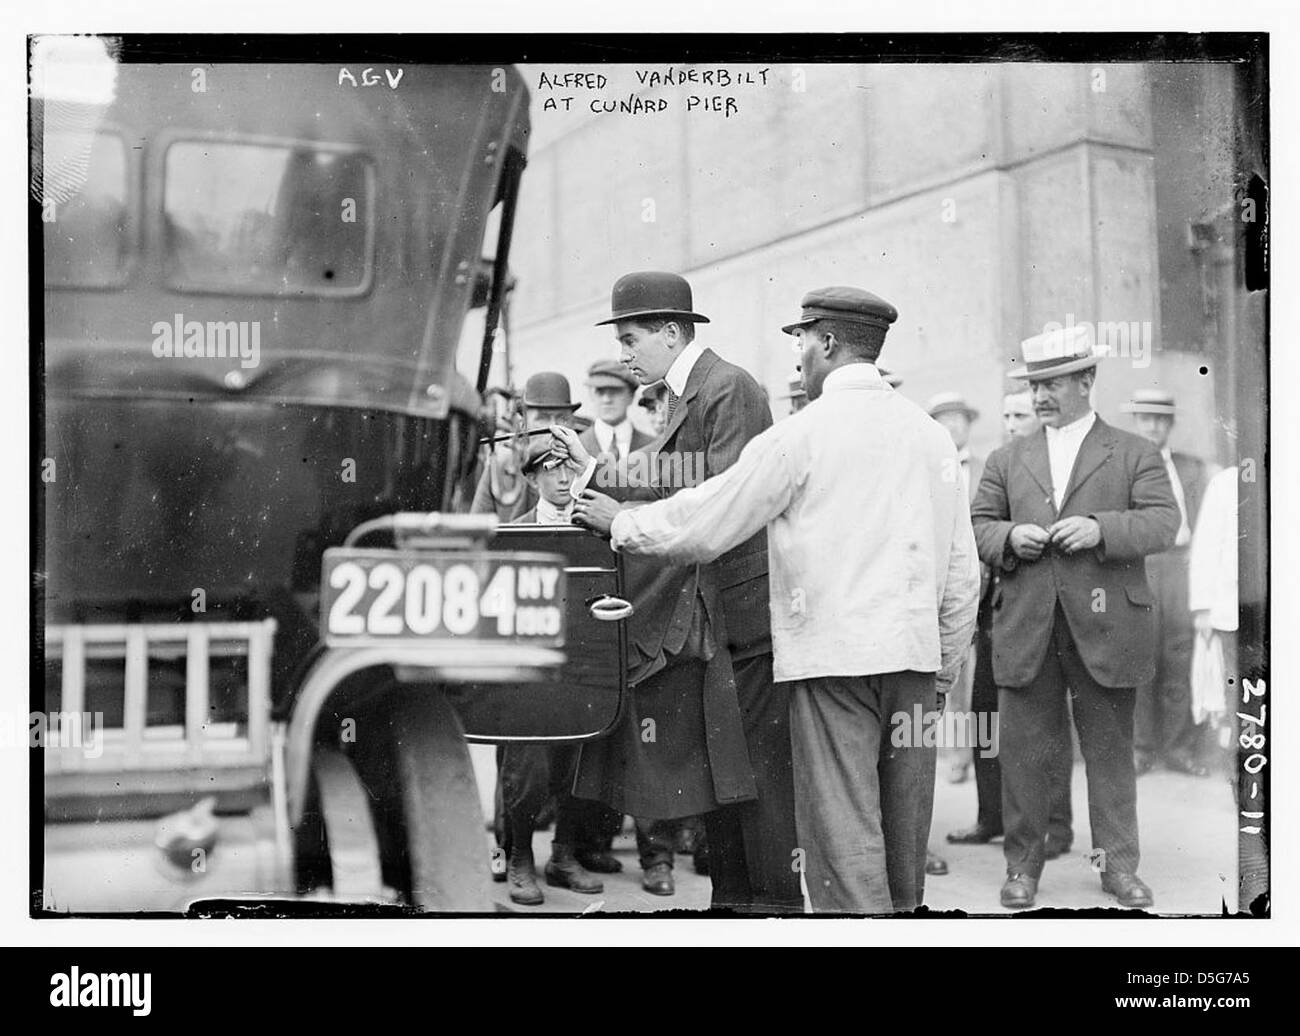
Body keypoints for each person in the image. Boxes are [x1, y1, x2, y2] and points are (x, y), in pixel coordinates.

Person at [565, 286, 980, 914]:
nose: (797, 361)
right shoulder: (930, 438)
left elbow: (713, 517)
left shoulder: (800, 436)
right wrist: (943, 668)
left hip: (830, 664)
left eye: (802, 344)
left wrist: (623, 524)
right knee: (902, 835)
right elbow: (960, 573)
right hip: (914, 661)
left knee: (843, 839)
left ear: (829, 343)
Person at [559, 270, 802, 912]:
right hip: (710, 619)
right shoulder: (684, 394)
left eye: (632, 338)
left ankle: (774, 910)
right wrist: (591, 476)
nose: (624, 353)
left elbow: (723, 497)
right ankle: (733, 907)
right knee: (723, 780)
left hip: (741, 622)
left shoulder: (730, 388)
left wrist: (623, 517)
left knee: (757, 783)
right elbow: (678, 477)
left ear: (673, 331)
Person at [971, 326, 1180, 910]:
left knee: (1111, 754)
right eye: (1034, 385)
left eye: (1053, 383)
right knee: (1025, 756)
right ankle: (1022, 869)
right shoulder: (1006, 457)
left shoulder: (1134, 451)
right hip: (1027, 628)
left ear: (1088, 381)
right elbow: (979, 525)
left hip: (1108, 629)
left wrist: (1102, 529)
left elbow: (1164, 522)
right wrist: (1011, 535)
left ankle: (1118, 869)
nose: (1040, 396)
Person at [947, 390, 1074, 858]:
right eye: (1004, 414)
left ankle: (1054, 827)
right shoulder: (1001, 465)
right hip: (996, 607)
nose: (1011, 422)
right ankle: (990, 816)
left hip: (1047, 610)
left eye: (1019, 414)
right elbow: (981, 527)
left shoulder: (1058, 466)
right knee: (985, 710)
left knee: (1045, 720)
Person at [497, 439, 608, 905]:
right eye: (550, 469)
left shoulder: (598, 528)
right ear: (531, 478)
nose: (563, 479)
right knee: (529, 767)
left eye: (568, 468)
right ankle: (519, 854)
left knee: (584, 760)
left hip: (587, 664)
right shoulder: (514, 533)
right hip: (535, 671)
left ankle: (564, 854)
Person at [1122, 389, 1210, 777]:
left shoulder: (1190, 468)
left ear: (1170, 425)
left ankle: (1178, 749)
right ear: (1137, 423)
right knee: (1142, 657)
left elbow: (1206, 521)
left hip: (1182, 567)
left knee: (1180, 656)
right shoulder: (1125, 468)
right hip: (1143, 566)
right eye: (1146, 418)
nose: (1154, 425)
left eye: (1161, 419)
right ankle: (1141, 749)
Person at [471, 371, 582, 521]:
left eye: (562, 418)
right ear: (523, 425)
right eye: (542, 418)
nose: (553, 427)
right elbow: (478, 528)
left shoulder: (587, 462)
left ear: (572, 423)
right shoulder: (502, 467)